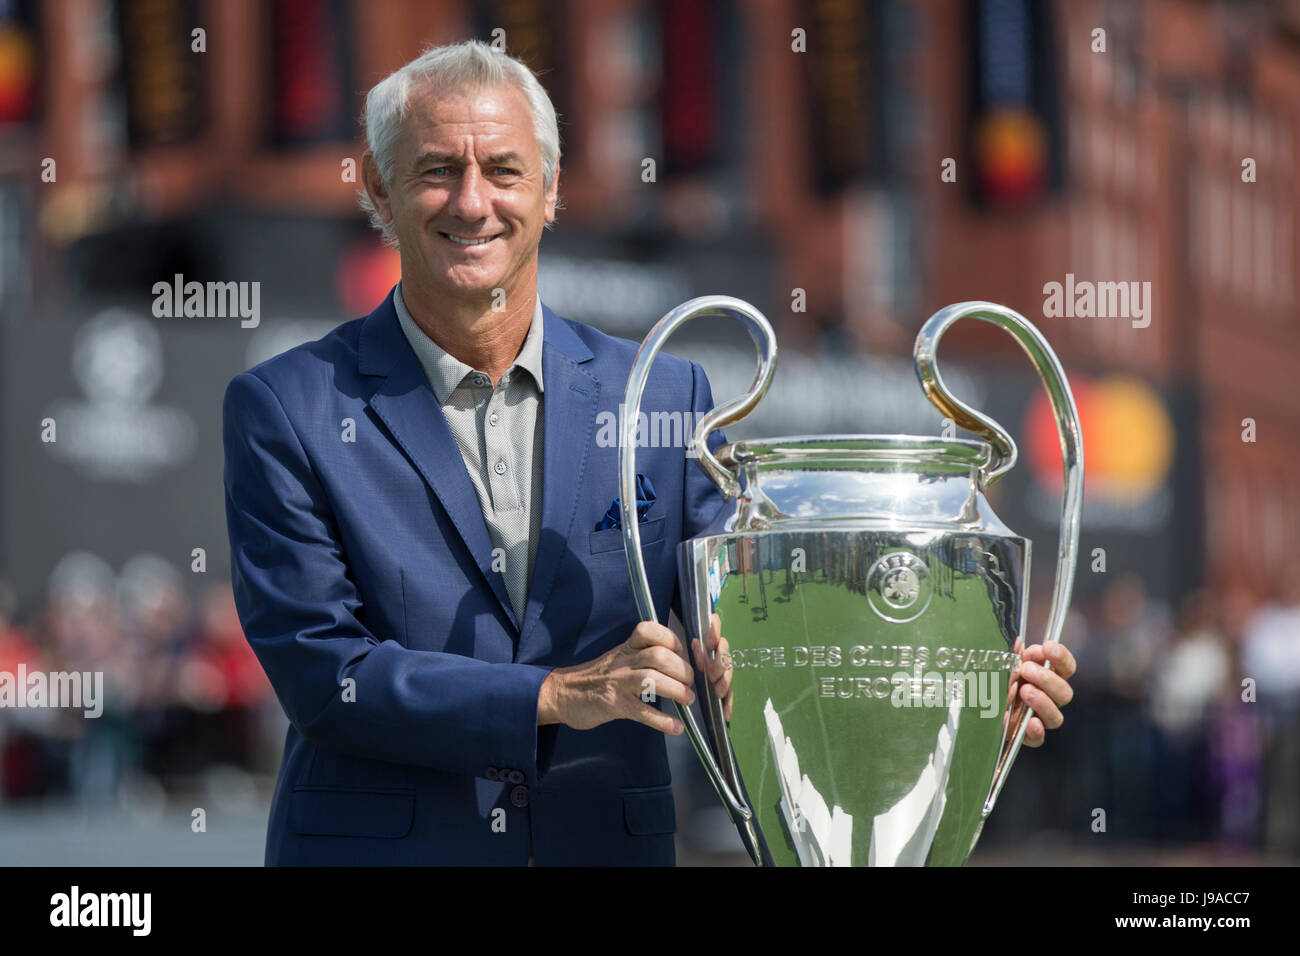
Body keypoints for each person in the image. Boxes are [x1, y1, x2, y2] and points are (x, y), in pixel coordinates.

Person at [222, 40, 1076, 866]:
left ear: (551, 190)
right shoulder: (288, 407)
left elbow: (749, 638)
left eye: (505, 170)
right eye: (438, 169)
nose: (473, 202)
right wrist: (556, 696)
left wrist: (938, 689)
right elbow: (321, 671)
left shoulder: (664, 400)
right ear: (379, 185)